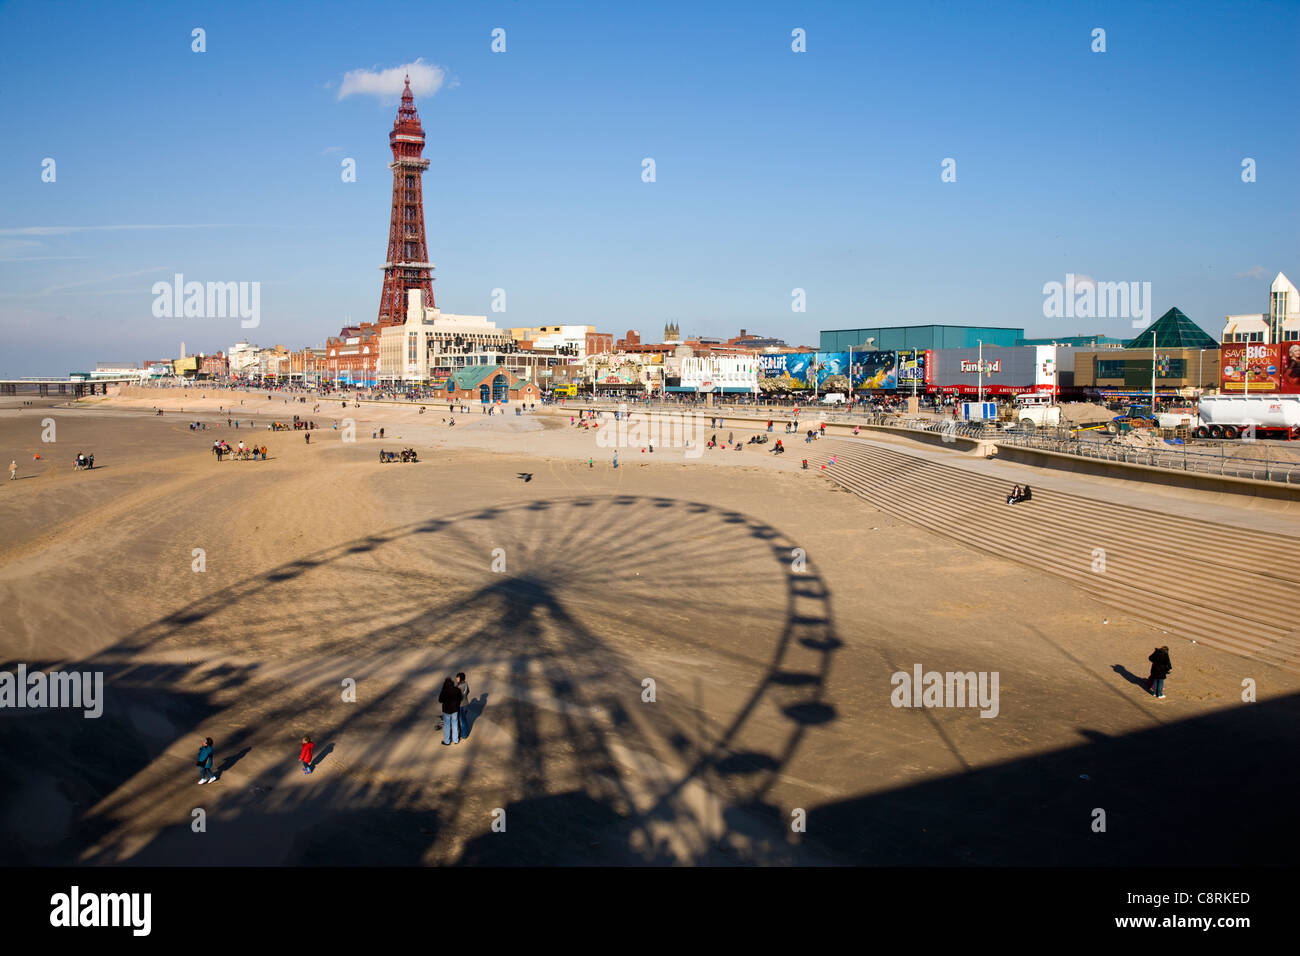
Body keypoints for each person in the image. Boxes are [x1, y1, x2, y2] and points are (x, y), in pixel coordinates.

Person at [439, 677, 462, 745]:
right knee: (455, 724)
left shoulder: (444, 691)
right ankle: (456, 740)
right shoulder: (457, 689)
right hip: (455, 710)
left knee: (447, 726)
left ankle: (447, 741)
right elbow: (460, 698)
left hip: (446, 710)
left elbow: (440, 700)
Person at [456, 672, 471, 739]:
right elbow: (468, 691)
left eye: (458, 678)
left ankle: (464, 734)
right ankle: (464, 733)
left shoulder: (459, 687)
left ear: (460, 678)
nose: (456, 679)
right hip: (466, 703)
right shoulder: (466, 684)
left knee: (462, 721)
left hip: (461, 705)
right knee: (463, 719)